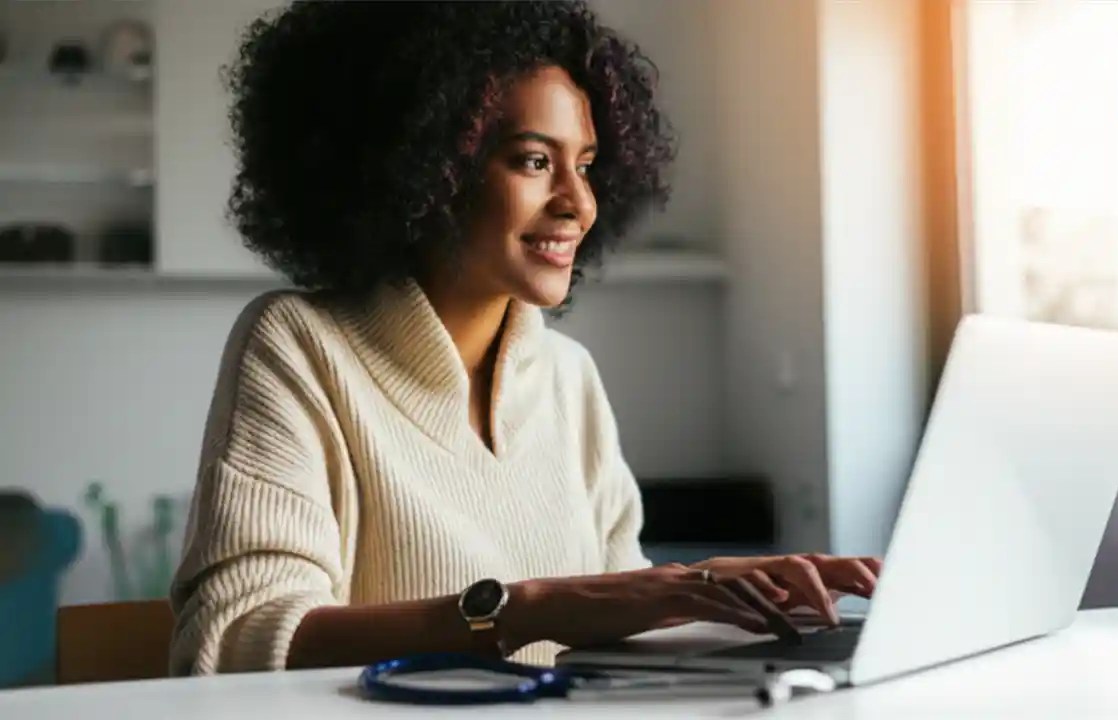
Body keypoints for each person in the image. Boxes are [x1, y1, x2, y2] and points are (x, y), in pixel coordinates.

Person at [169, 0, 881, 675]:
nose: (577, 203)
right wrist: (526, 609)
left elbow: (607, 605)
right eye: (535, 161)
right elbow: (233, 641)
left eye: (587, 164)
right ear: (425, 169)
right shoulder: (298, 346)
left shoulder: (570, 378)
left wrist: (708, 587)